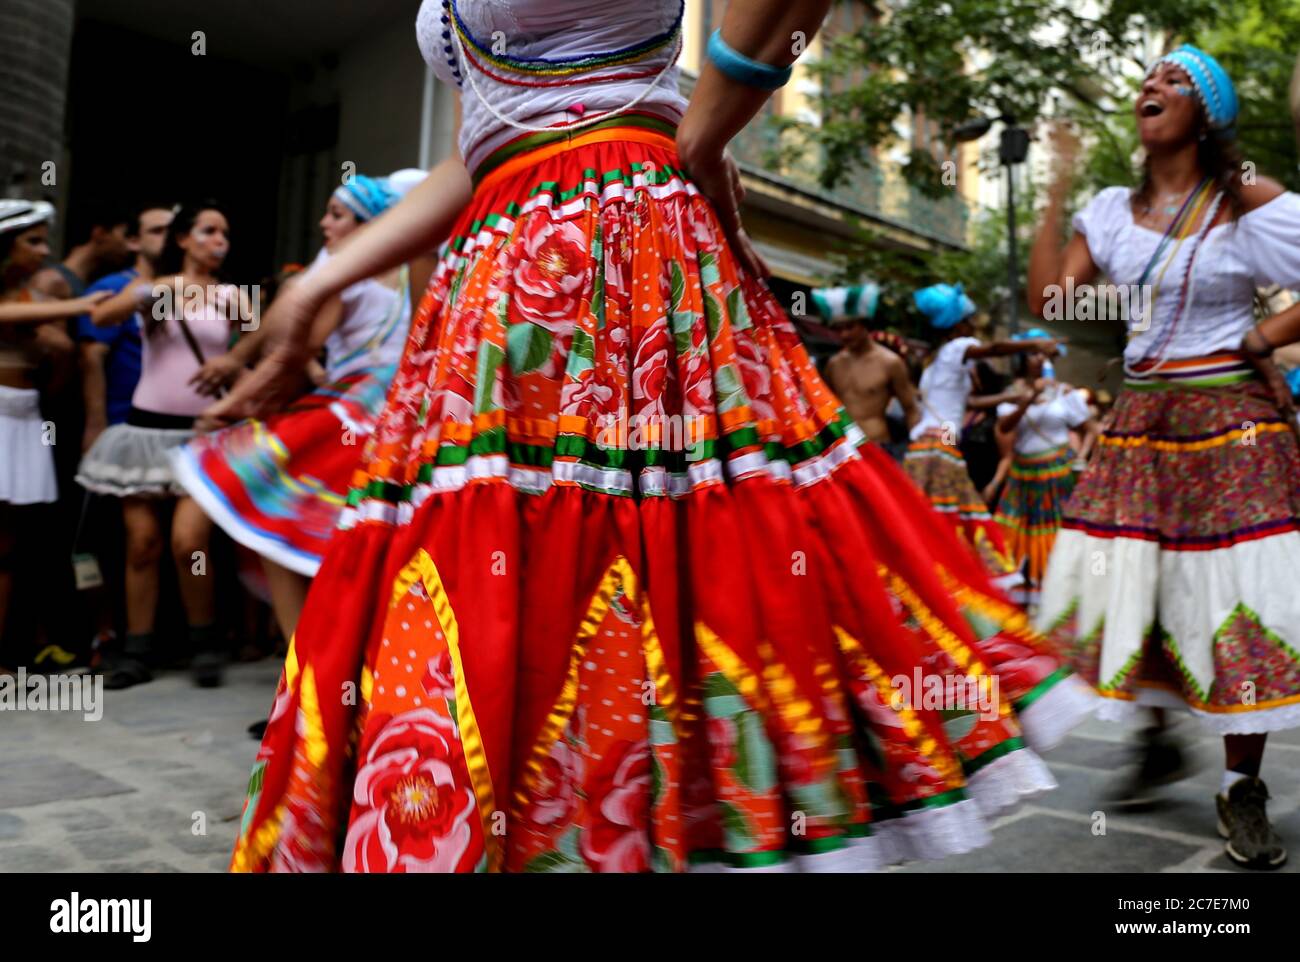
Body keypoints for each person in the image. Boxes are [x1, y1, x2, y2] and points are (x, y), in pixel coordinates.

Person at [214, 0, 1092, 874]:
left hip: (624, 244)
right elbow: (474, 154)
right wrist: (315, 286)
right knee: (470, 599)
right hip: (490, 284)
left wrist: (700, 140)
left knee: (635, 574)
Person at [1030, 45, 1300, 869]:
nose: (1150, 87)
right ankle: (1157, 737)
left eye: (1172, 80)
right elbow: (1051, 301)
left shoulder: (1241, 200)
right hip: (1141, 429)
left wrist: (1261, 335)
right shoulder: (1110, 210)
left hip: (1232, 430)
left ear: (1207, 113)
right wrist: (1054, 188)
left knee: (1234, 598)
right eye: (1146, 79)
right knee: (1138, 593)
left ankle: (1243, 786)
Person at [172, 171, 423, 653]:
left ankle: (305, 665)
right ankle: (343, 669)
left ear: (368, 223)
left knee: (281, 517)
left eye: (337, 215)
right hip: (403, 415)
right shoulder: (415, 266)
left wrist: (229, 404)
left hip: (355, 413)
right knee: (362, 542)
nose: (324, 224)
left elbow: (293, 347)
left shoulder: (345, 272)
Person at [77, 202, 249, 689]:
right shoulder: (159, 291)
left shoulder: (234, 297)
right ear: (182, 239)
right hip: (144, 431)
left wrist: (235, 369)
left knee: (188, 543)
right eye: (209, 230)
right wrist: (151, 291)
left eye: (225, 232)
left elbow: (264, 350)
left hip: (202, 434)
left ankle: (204, 641)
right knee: (142, 544)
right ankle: (136, 652)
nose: (220, 240)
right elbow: (102, 317)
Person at [0, 200, 110, 671]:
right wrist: (83, 304)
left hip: (26, 419)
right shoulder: (36, 303)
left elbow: (63, 360)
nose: (44, 252)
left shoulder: (38, 301)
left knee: (9, 546)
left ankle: (4, 656)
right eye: (33, 241)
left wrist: (59, 346)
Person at [903, 282, 1059, 585]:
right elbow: (995, 349)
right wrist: (1033, 345)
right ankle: (957, 580)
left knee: (928, 515)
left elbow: (967, 402)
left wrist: (1007, 399)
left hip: (921, 445)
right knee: (957, 512)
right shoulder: (959, 347)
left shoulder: (933, 362)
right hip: (942, 441)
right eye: (971, 320)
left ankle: (926, 578)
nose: (974, 326)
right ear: (960, 324)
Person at [75, 203, 176, 664]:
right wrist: (96, 423)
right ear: (133, 240)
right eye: (155, 230)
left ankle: (168, 640)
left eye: (173, 230)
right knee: (125, 540)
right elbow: (92, 355)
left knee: (182, 541)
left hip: (184, 433)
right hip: (123, 427)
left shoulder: (207, 290)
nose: (166, 238)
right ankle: (111, 638)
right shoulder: (113, 289)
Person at [991, 330, 1097, 606]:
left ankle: (1058, 592)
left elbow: (1090, 430)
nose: (1037, 360)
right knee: (1014, 534)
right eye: (1032, 355)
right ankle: (1018, 596)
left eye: (1041, 355)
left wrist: (1080, 458)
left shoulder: (1065, 393)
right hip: (1023, 476)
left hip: (1057, 475)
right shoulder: (1010, 395)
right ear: (1021, 361)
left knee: (1058, 532)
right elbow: (1004, 427)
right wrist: (1029, 397)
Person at [820, 284, 920, 459]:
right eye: (838, 329)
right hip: (841, 449)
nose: (844, 335)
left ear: (865, 325)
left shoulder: (890, 362)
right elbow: (824, 408)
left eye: (850, 327)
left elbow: (910, 409)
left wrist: (915, 451)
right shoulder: (834, 364)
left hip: (876, 445)